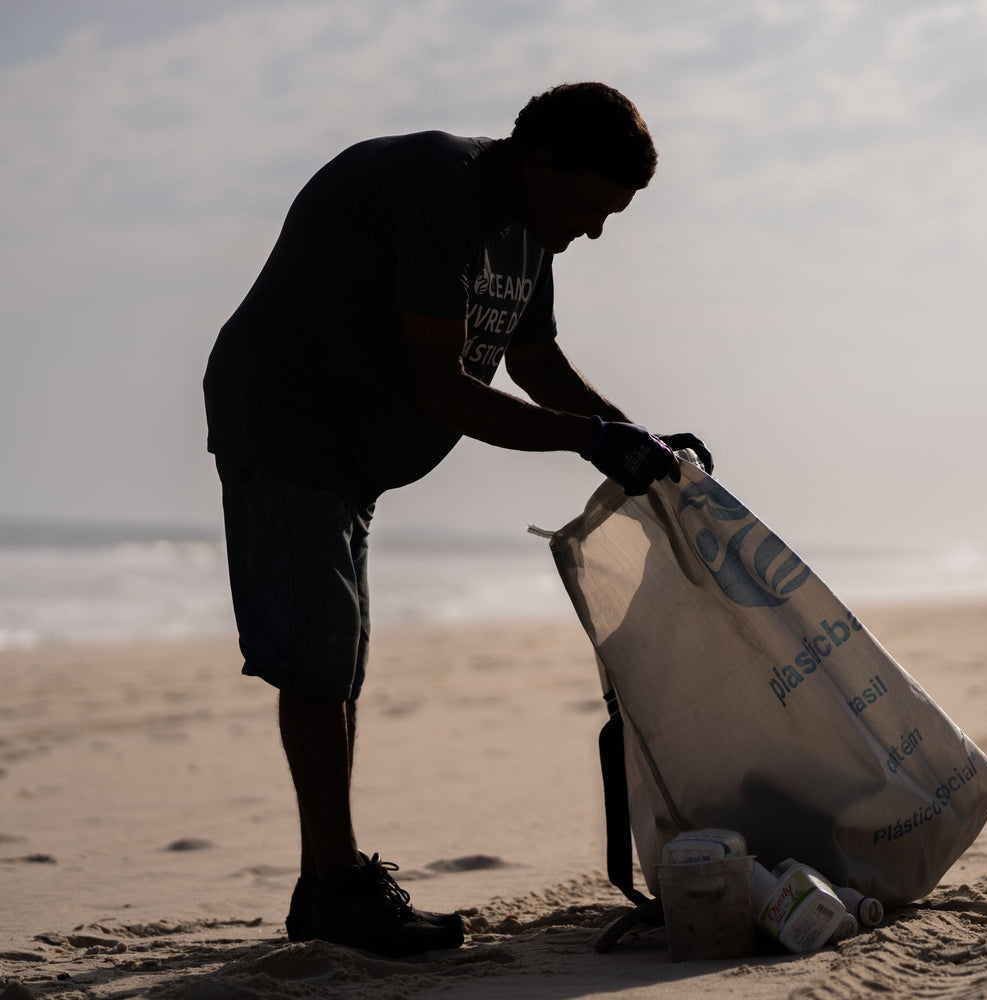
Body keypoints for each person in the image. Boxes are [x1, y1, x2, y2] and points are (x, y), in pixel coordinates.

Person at [202, 82, 712, 957]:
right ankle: (336, 887)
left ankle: (325, 881)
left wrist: (632, 437)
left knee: (342, 657)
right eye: (589, 205)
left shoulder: (531, 223)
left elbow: (535, 360)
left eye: (608, 217)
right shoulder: (441, 187)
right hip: (284, 416)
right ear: (539, 158)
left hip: (350, 455)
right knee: (321, 655)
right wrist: (592, 442)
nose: (590, 230)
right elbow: (443, 391)